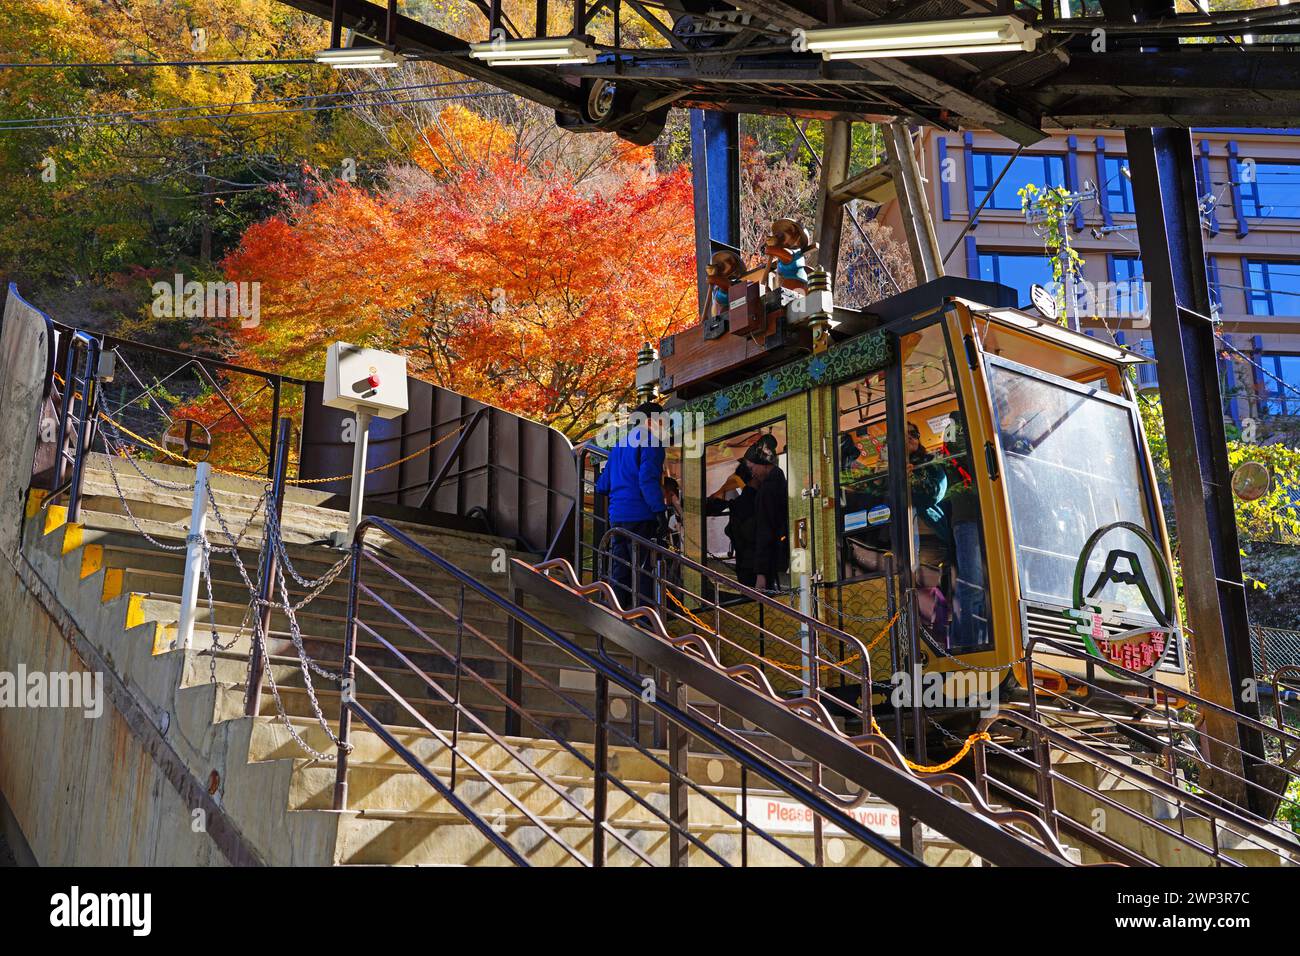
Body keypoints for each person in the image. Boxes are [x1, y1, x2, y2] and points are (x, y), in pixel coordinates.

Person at [595, 402, 670, 608]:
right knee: (643, 570)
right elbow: (647, 479)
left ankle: (617, 611)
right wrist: (659, 511)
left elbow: (602, 485)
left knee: (620, 568)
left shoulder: (619, 445)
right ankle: (643, 617)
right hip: (641, 515)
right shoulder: (652, 442)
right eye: (662, 421)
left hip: (617, 516)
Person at [744, 441, 789, 593]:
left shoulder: (767, 491)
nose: (752, 474)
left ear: (762, 464)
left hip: (772, 561)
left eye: (752, 468)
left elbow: (765, 531)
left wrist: (761, 573)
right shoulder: (781, 482)